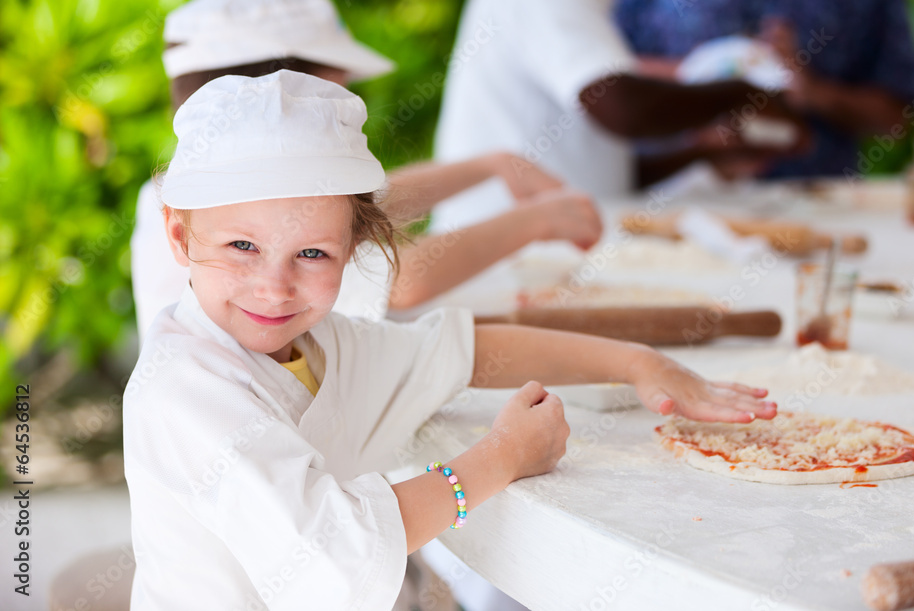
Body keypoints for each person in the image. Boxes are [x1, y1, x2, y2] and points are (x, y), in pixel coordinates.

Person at [123, 70, 777, 609]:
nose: (275, 286)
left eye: (313, 253)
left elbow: (463, 351)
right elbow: (336, 556)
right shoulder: (186, 390)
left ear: (356, 250)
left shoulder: (320, 345)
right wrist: (501, 456)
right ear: (180, 237)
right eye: (241, 246)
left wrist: (636, 362)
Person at [131, 0, 602, 337]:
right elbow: (401, 278)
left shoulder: (206, 185)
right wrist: (537, 222)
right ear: (278, 94)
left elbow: (368, 205)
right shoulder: (224, 199)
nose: (351, 100)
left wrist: (491, 166)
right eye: (338, 90)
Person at [430, 0, 807, 232]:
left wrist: (701, 153)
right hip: (498, 259)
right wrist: (739, 93)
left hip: (536, 249)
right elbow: (622, 108)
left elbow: (604, 171)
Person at [613, 0, 914, 182]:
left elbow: (895, 119)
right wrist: (711, 73)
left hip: (815, 210)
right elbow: (600, 72)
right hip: (670, 200)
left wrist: (816, 92)